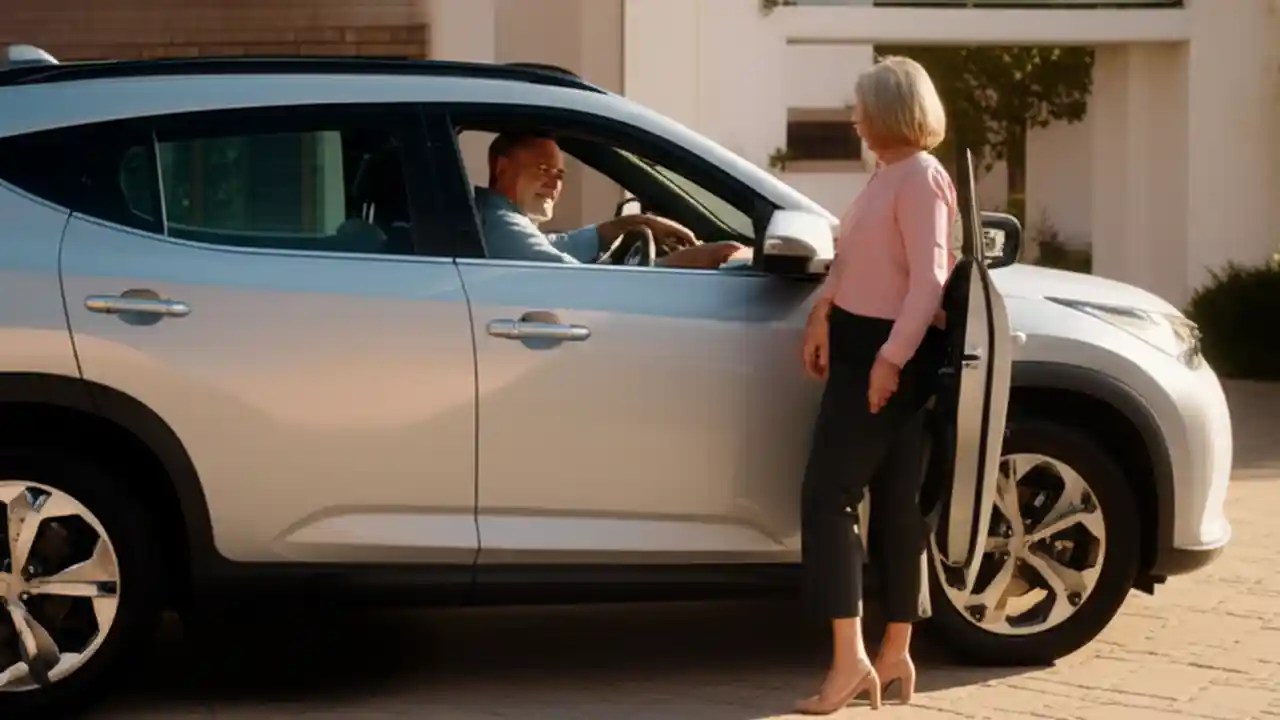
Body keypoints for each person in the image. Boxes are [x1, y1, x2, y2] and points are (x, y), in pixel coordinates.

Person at [794, 56, 958, 715]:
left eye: (862, 106)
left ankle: (848, 662)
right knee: (894, 504)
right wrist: (824, 307)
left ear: (889, 109)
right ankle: (893, 655)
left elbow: (930, 280)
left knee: (827, 496)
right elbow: (854, 259)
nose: (855, 117)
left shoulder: (920, 178)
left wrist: (889, 362)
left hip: (891, 352)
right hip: (868, 342)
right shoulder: (889, 176)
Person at [473, 132, 746, 268]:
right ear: (502, 168)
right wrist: (686, 261)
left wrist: (633, 224)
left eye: (560, 174)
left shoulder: (499, 217)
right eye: (544, 170)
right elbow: (576, 283)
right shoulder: (500, 224)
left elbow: (554, 245)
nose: (555, 183)